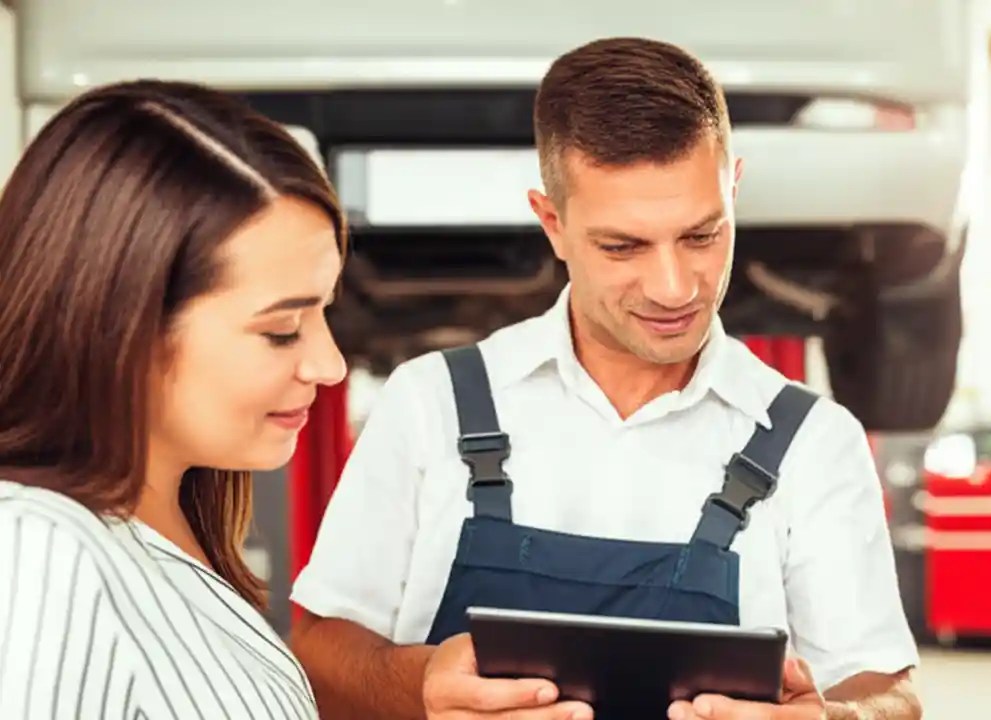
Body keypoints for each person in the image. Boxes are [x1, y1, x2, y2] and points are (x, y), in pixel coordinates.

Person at [290, 36, 922, 720]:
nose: (674, 286)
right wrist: (418, 686)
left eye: (702, 235)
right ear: (553, 224)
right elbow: (320, 654)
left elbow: (888, 691)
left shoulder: (813, 443)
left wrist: (838, 718)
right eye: (623, 246)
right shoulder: (429, 405)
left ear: (732, 188)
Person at [0, 79, 348, 719]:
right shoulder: (38, 548)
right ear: (120, 326)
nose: (330, 365)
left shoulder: (173, 531)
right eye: (281, 330)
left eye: (324, 313)